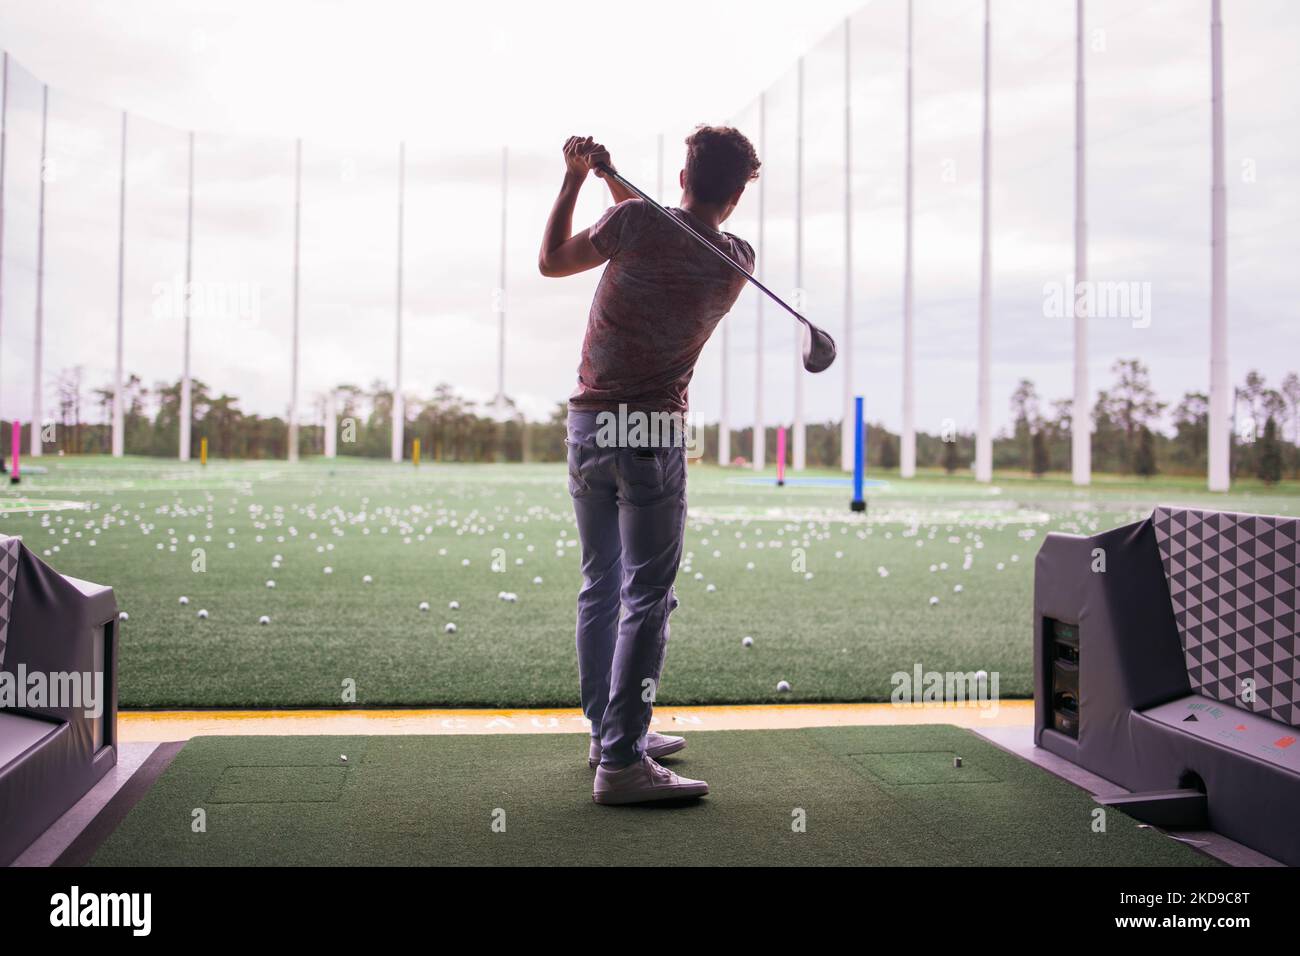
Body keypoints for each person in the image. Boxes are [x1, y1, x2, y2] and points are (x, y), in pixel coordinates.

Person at [538, 127, 760, 804]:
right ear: (740, 189)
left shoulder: (634, 220)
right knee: (646, 594)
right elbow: (668, 226)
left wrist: (578, 177)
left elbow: (552, 261)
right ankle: (623, 761)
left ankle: (610, 732)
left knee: (602, 584)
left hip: (588, 424)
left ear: (683, 172)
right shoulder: (738, 261)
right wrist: (610, 177)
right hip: (652, 430)